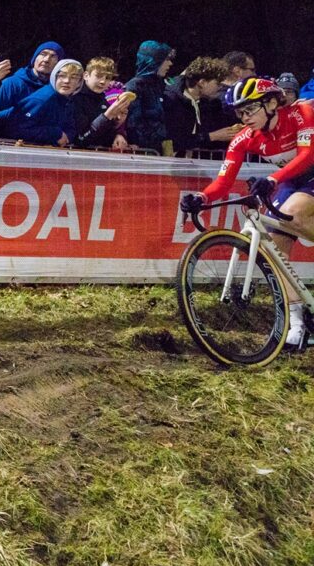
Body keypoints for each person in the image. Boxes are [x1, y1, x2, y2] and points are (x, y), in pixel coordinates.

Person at [181, 77, 314, 348]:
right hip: (292, 178)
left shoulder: (301, 114)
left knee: (293, 212)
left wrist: (274, 179)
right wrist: (201, 196)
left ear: (272, 103)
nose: (244, 118)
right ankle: (298, 321)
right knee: (275, 248)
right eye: (240, 112)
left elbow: (307, 156)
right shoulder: (245, 137)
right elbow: (224, 180)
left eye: (249, 110)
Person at [163, 56, 237, 156]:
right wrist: (212, 136)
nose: (220, 87)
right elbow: (174, 141)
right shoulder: (173, 101)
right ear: (202, 83)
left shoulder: (208, 103)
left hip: (192, 164)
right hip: (168, 165)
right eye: (217, 83)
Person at [4, 58, 83, 146]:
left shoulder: (68, 100)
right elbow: (17, 128)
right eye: (62, 76)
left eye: (73, 77)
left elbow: (70, 128)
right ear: (54, 76)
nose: (67, 81)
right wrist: (54, 134)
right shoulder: (42, 99)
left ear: (79, 83)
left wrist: (67, 137)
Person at [122, 40, 175, 154]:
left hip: (157, 151)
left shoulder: (159, 85)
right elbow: (133, 123)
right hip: (142, 153)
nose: (170, 64)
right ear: (154, 61)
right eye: (166, 59)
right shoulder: (135, 86)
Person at [0, 41, 64, 121]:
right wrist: (20, 112)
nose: (46, 59)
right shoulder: (12, 84)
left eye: (53, 56)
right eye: (43, 54)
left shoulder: (58, 90)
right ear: (35, 58)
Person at [72, 56, 130, 149]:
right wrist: (107, 116)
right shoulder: (75, 99)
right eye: (98, 76)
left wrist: (118, 134)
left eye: (107, 78)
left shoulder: (103, 99)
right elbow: (81, 140)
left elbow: (105, 133)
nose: (103, 81)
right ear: (86, 75)